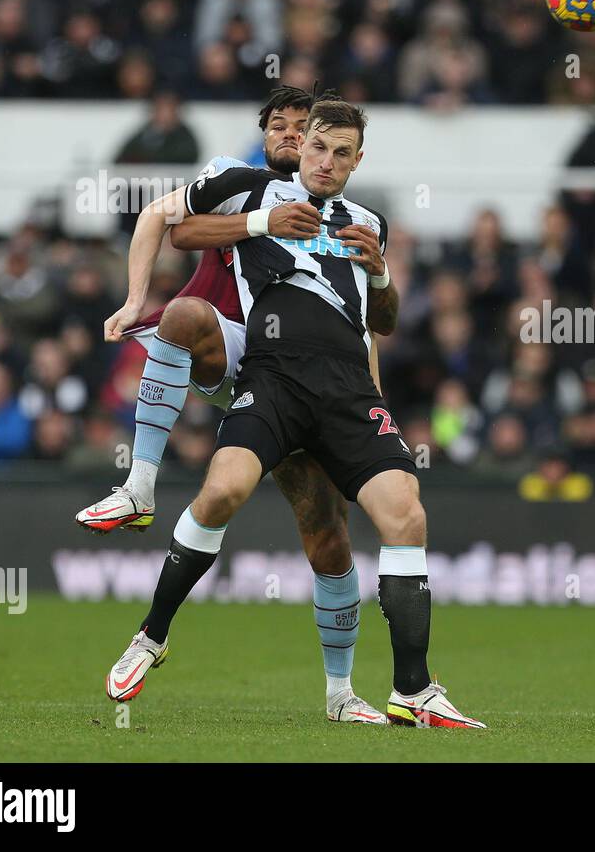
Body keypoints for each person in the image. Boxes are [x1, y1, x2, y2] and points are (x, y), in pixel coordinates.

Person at [103, 95, 484, 729]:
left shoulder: (370, 221)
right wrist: (262, 226)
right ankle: (152, 635)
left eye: (341, 153)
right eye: (317, 147)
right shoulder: (256, 190)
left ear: (358, 160)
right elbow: (180, 229)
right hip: (274, 376)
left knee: (404, 514)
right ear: (300, 145)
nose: (327, 162)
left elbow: (380, 323)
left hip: (348, 392)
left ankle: (411, 691)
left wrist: (382, 274)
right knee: (222, 493)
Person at [84, 86, 387, 726]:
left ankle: (341, 694)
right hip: (242, 355)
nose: (294, 138)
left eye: (306, 130)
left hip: (315, 381)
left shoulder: (351, 219)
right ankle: (140, 492)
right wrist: (136, 300)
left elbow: (360, 323)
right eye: (282, 127)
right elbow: (166, 223)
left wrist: (370, 403)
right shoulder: (242, 182)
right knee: (185, 314)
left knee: (327, 534)